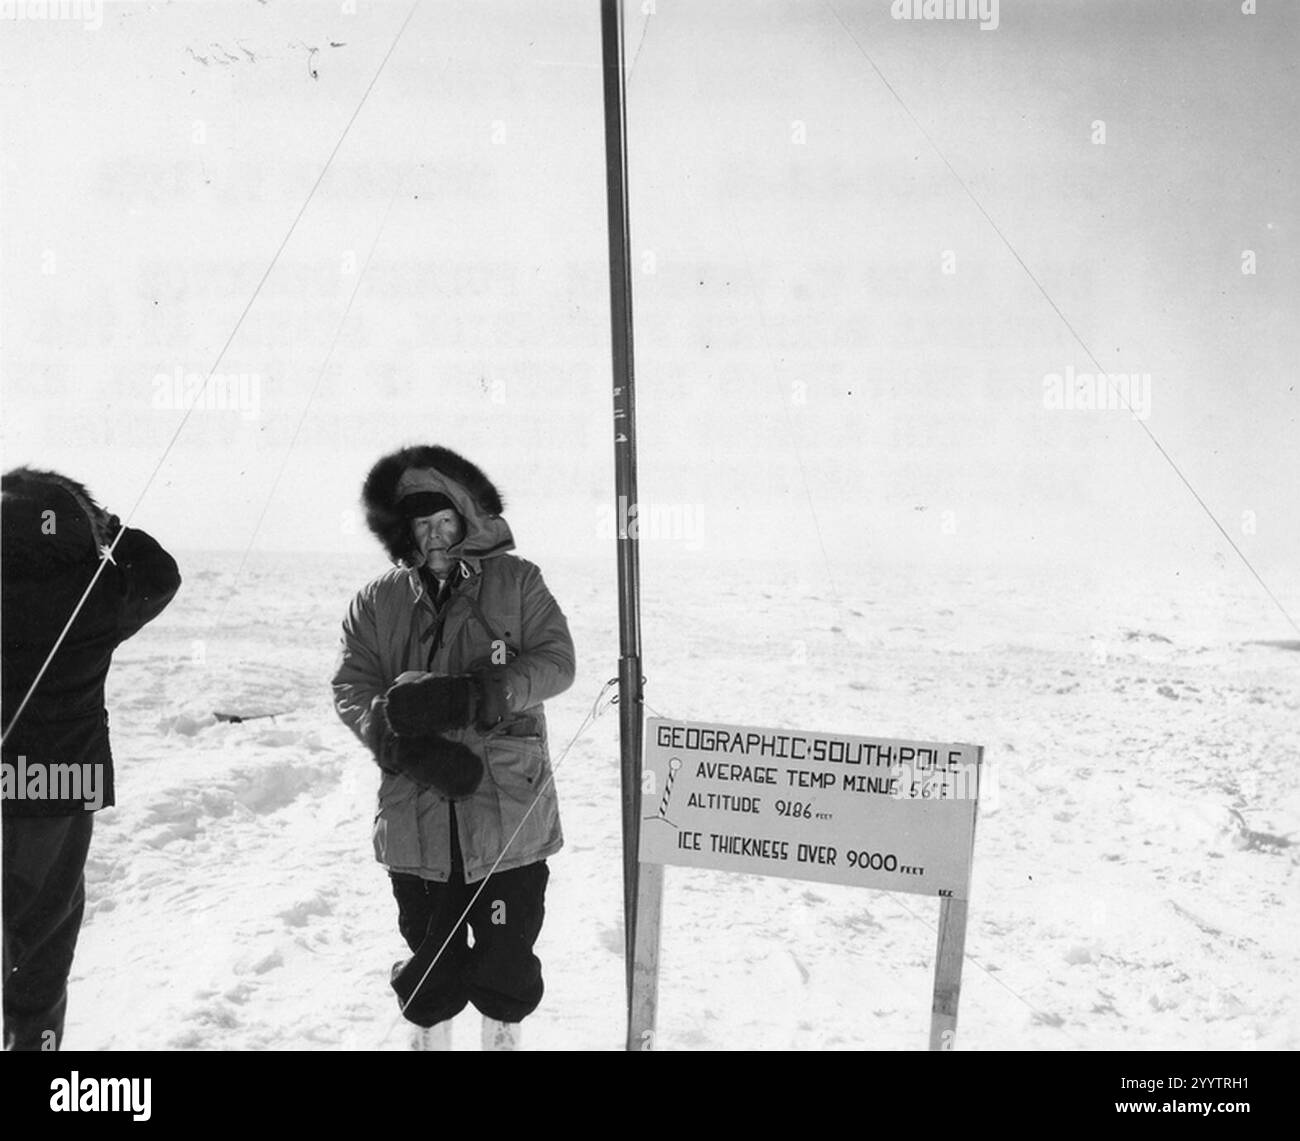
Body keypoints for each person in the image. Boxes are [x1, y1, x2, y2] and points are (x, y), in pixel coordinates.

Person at [331, 445, 575, 1051]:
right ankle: (431, 1036)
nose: (436, 537)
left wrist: (485, 694)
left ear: (467, 521)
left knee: (507, 950)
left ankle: (502, 1035)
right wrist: (393, 740)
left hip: (506, 809)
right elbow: (351, 684)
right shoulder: (376, 600)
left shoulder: (518, 582)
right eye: (423, 524)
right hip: (419, 809)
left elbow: (557, 662)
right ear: (404, 530)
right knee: (429, 951)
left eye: (446, 522)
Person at [1, 467, 181, 1050]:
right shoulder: (95, 596)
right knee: (45, 942)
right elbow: (160, 575)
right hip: (59, 788)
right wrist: (112, 530)